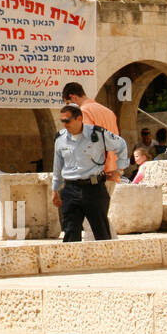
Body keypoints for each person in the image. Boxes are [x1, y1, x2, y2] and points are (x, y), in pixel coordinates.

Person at [51, 103, 128, 242]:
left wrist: (119, 170)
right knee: (70, 230)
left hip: (94, 188)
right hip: (70, 188)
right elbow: (58, 165)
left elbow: (121, 145)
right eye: (62, 121)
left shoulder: (97, 134)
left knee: (101, 231)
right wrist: (55, 190)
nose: (65, 124)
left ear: (79, 118)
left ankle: (106, 261)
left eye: (67, 121)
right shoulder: (60, 139)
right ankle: (71, 262)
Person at [61, 83, 121, 180]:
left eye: (68, 103)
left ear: (73, 97)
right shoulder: (108, 111)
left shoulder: (84, 111)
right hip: (113, 167)